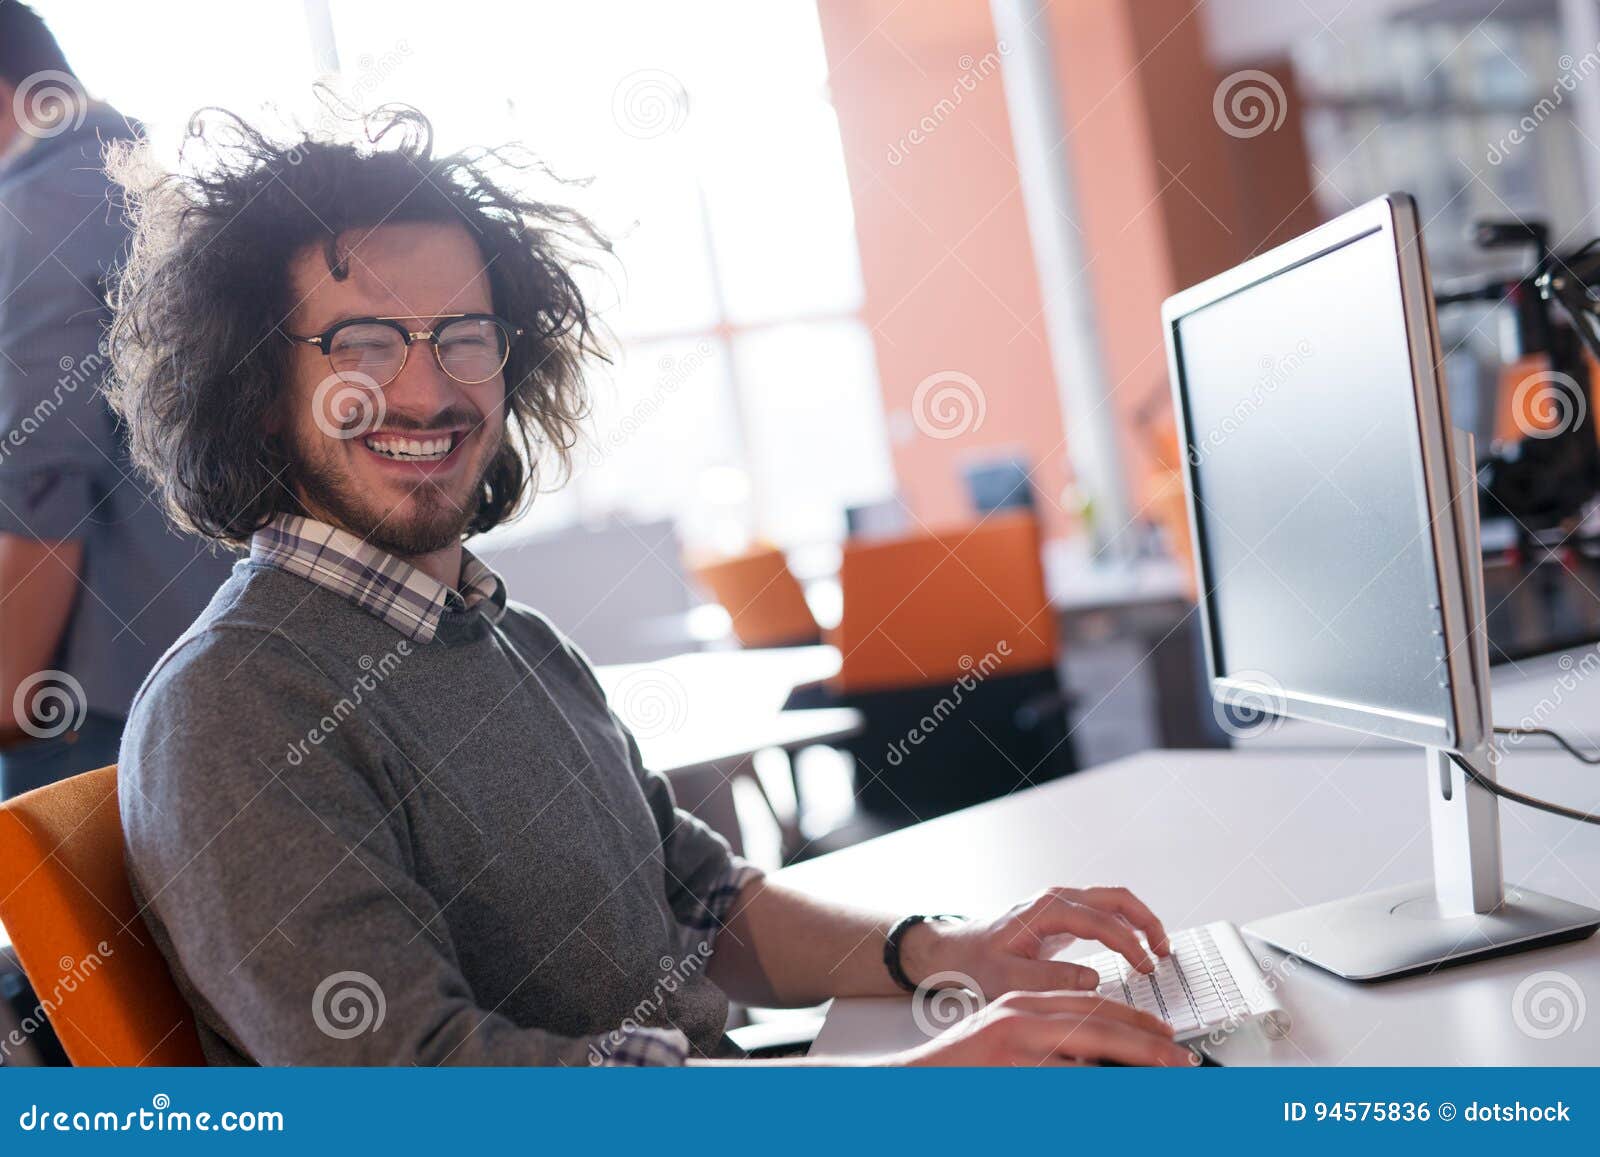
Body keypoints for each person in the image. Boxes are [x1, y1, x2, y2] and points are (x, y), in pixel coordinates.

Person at [106, 104, 1193, 1067]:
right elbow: (416, 1085)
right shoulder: (234, 704)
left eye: (464, 337)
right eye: (365, 343)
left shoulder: (513, 637)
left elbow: (705, 902)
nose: (428, 390)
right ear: (259, 387)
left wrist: (945, 952)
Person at [0, 2, 230, 797]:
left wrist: (7, 691)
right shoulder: (150, 190)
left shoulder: (36, 206)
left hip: (88, 709)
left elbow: (42, 480)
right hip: (193, 663)